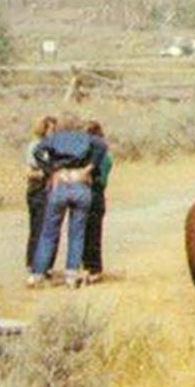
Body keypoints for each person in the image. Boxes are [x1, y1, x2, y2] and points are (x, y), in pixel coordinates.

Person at [30, 120, 108, 288]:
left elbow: (37, 151)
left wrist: (52, 170)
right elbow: (102, 146)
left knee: (49, 232)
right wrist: (88, 169)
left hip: (61, 184)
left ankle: (38, 274)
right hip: (80, 184)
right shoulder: (86, 138)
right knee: (77, 233)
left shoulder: (55, 139)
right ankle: (71, 275)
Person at [82, 121, 113, 282]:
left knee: (88, 232)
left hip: (92, 192)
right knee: (93, 233)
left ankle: (91, 267)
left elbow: (99, 178)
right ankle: (91, 267)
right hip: (96, 194)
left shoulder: (97, 156)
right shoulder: (105, 155)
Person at [24, 115, 57, 269]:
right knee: (38, 227)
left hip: (47, 190)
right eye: (52, 129)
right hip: (38, 190)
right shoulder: (36, 147)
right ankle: (35, 263)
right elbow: (29, 172)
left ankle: (41, 263)